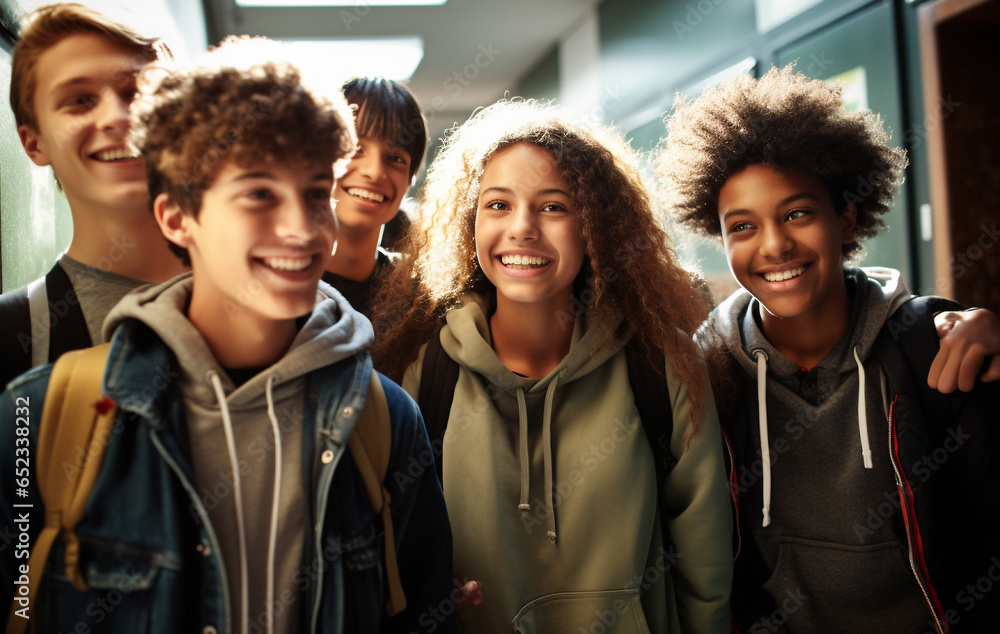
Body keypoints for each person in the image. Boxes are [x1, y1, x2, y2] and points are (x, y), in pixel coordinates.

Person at [0, 37, 453, 633]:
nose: (300, 229)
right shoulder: (41, 416)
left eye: (315, 193)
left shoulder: (383, 421)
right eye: (259, 195)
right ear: (176, 217)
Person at [656, 64, 1000, 633]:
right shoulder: (704, 374)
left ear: (846, 218)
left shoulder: (931, 344)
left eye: (797, 214)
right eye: (742, 226)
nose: (774, 245)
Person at [371, 99, 733, 633]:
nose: (522, 228)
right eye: (498, 204)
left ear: (595, 226)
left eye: (553, 207)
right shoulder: (423, 372)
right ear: (470, 223)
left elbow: (706, 567)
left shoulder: (662, 364)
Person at [0, 3, 188, 390]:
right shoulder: (11, 333)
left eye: (137, 92)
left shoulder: (281, 304)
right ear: (34, 143)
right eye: (81, 100)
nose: (117, 117)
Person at [322, 76, 427, 318]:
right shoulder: (279, 278)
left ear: (409, 180)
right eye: (356, 148)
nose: (375, 172)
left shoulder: (420, 298)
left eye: (395, 158)